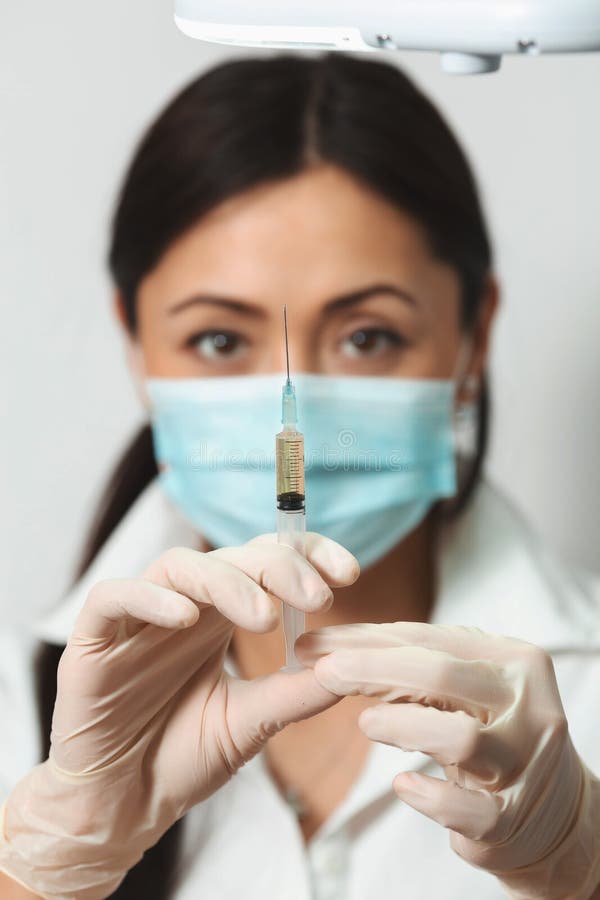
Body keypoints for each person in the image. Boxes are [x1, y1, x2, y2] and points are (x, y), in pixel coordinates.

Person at [1, 53, 599, 900]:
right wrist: (53, 862)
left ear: (474, 337)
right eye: (216, 339)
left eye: (367, 336)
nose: (302, 414)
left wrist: (587, 865)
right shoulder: (24, 698)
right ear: (135, 343)